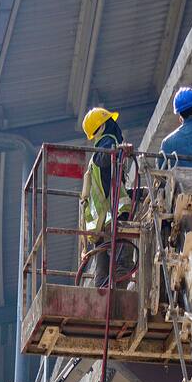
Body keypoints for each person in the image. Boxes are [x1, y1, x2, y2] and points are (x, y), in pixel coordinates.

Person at [79, 106, 132, 287]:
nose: (114, 125)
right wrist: (117, 151)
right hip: (113, 216)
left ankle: (102, 300)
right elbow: (105, 160)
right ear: (103, 127)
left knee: (102, 269)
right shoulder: (107, 146)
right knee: (122, 261)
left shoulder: (93, 160)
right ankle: (119, 301)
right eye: (110, 122)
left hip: (99, 222)